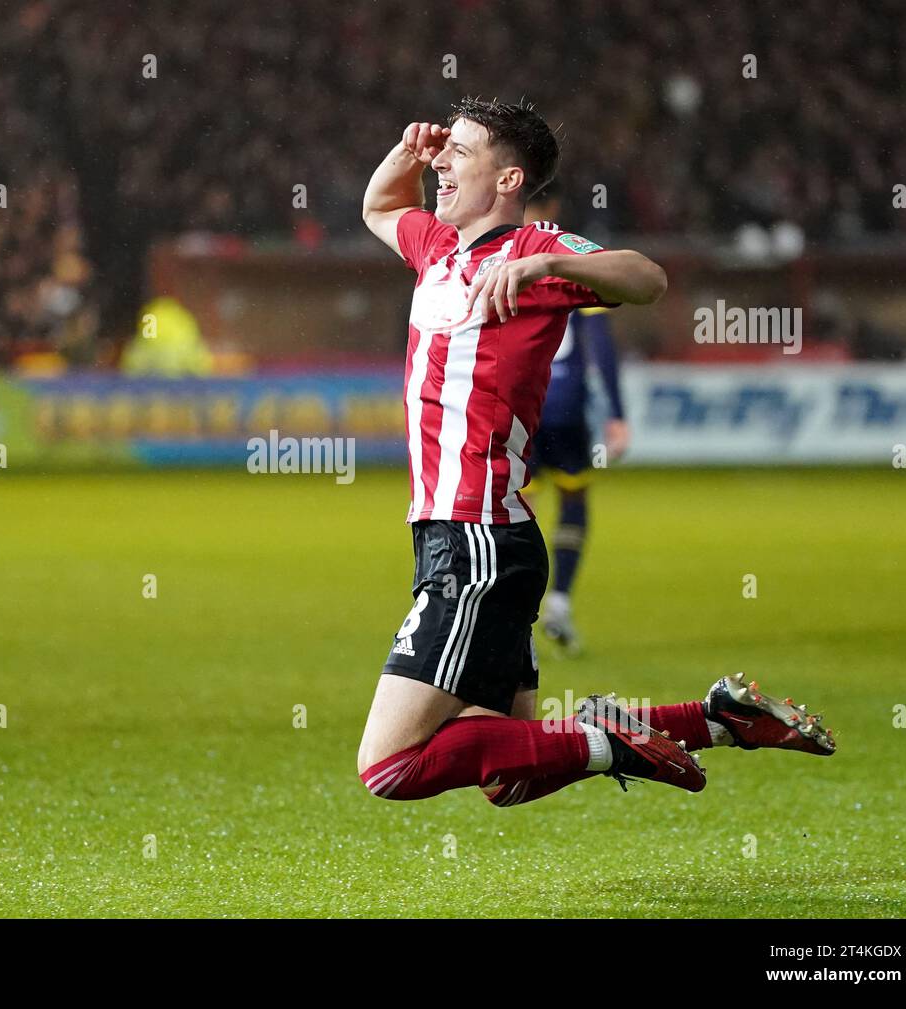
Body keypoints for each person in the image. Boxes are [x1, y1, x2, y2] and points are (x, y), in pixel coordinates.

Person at [357, 98, 833, 806]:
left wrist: (550, 256)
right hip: (470, 537)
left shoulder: (530, 253)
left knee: (390, 766)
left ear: (510, 179)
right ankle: (719, 719)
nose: (442, 164)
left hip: (475, 540)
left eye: (460, 151)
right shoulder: (436, 250)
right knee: (513, 776)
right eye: (443, 150)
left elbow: (647, 279)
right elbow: (377, 208)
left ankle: (605, 738)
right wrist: (410, 150)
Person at [522, 181, 629, 654]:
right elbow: (600, 346)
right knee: (573, 500)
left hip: (519, 403)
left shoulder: (496, 252)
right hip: (564, 405)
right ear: (554, 206)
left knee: (510, 509)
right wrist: (617, 415)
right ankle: (560, 600)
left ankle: (511, 614)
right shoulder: (569, 257)